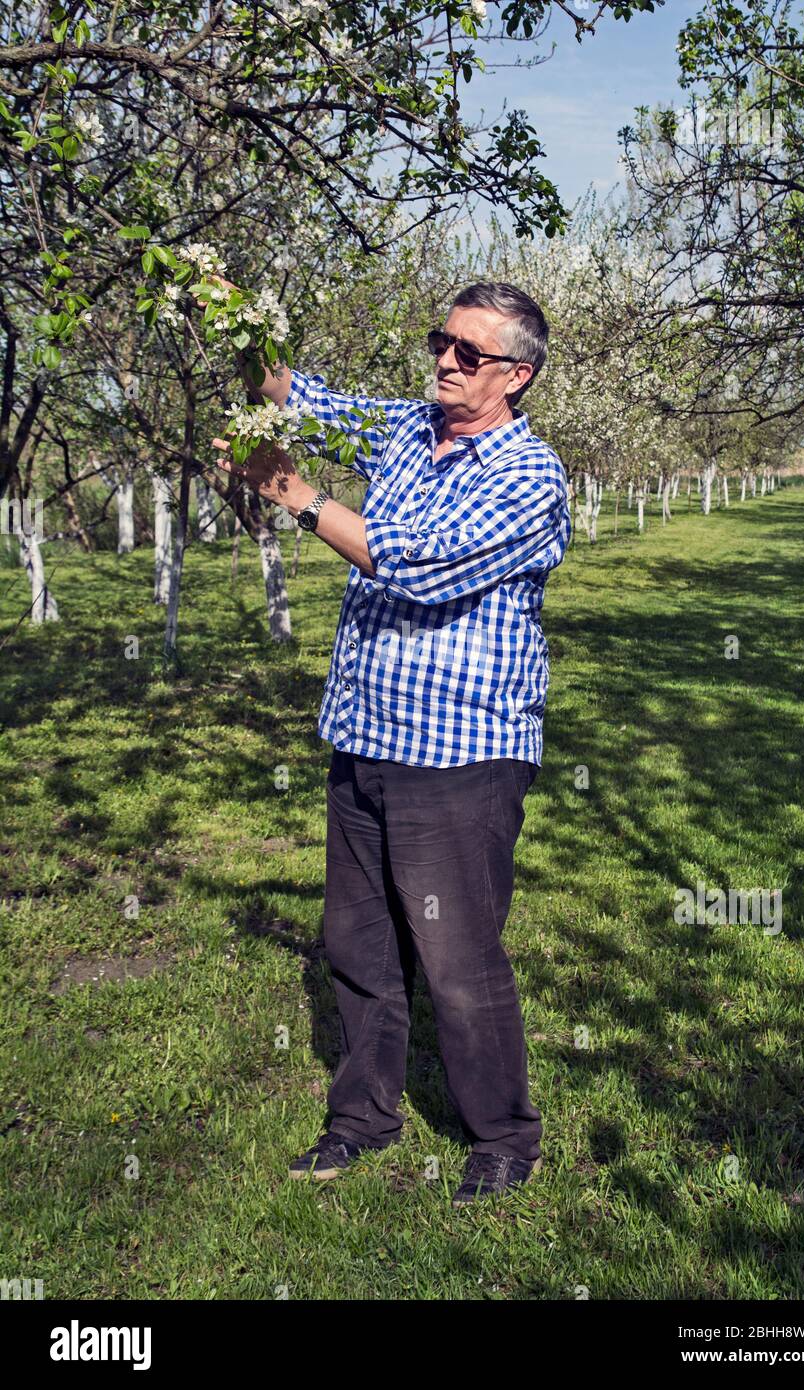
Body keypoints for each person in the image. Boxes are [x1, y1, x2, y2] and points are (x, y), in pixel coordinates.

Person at [212, 281, 571, 1206]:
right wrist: (228, 313)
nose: (446, 362)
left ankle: (501, 1137)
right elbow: (300, 396)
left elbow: (413, 565)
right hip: (367, 731)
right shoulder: (410, 427)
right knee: (359, 943)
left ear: (517, 376)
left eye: (471, 354)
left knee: (455, 956)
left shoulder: (527, 476)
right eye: (441, 342)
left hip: (458, 753)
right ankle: (362, 1118)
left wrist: (292, 492)